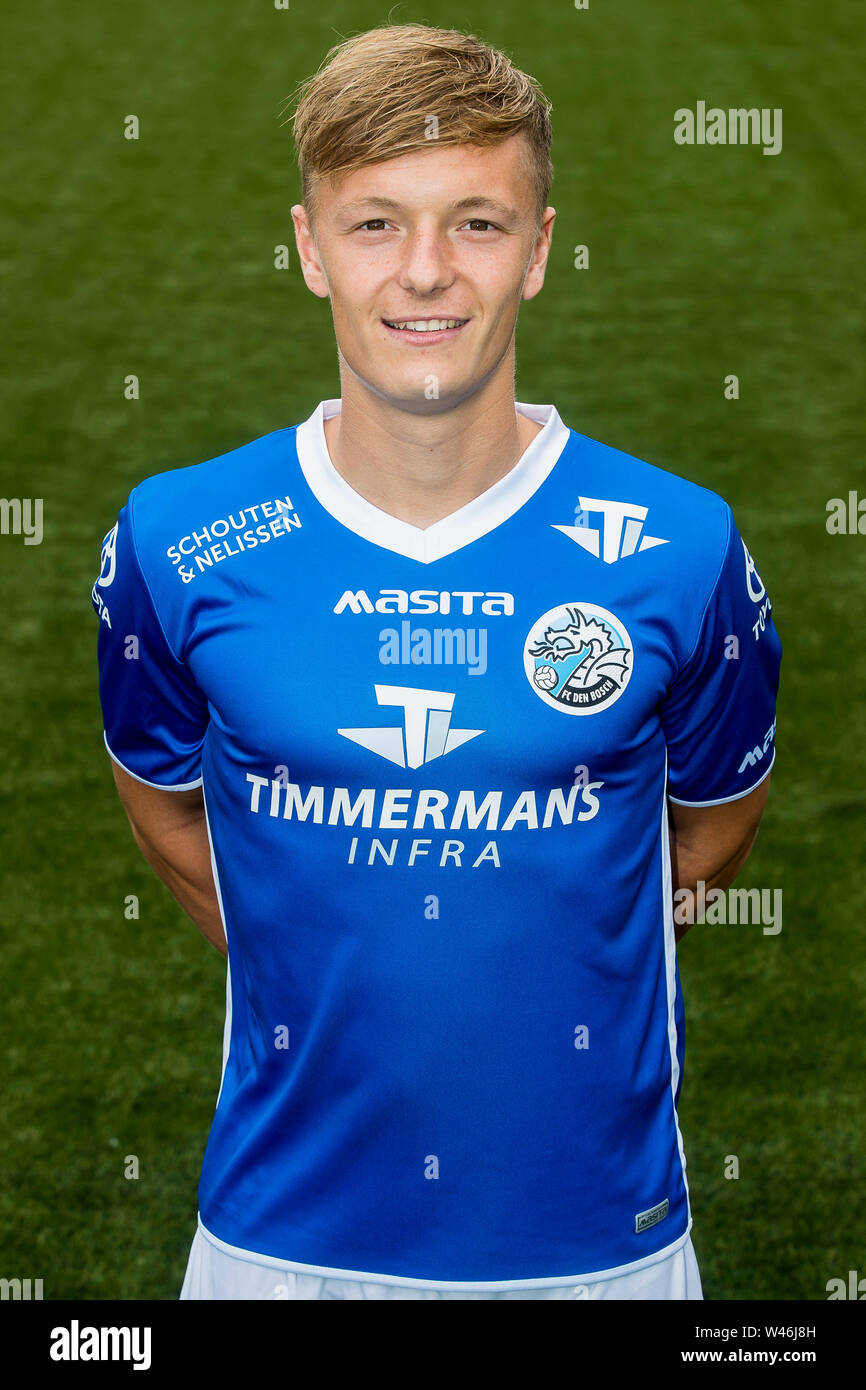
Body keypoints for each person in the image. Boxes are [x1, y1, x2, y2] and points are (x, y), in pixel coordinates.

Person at [91, 23, 781, 1300]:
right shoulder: (179, 539)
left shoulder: (679, 545)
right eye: (373, 225)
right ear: (307, 249)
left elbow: (711, 830)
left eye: (474, 222)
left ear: (538, 249)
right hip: (272, 1245)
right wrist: (323, 955)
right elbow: (164, 805)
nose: (423, 274)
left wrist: (558, 928)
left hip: (599, 1253)